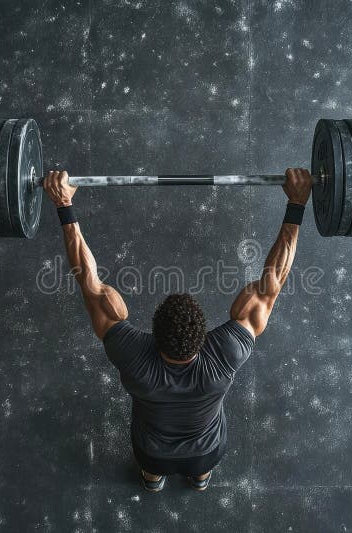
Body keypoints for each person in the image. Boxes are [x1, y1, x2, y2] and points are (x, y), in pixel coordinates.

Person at [43, 168, 312, 492]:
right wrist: (297, 205)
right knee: (200, 473)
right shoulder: (225, 354)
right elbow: (271, 286)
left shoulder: (131, 355)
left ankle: (153, 483)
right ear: (204, 336)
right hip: (207, 451)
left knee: (152, 473)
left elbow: (90, 285)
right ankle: (199, 482)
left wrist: (64, 206)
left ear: (153, 336)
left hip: (151, 453)